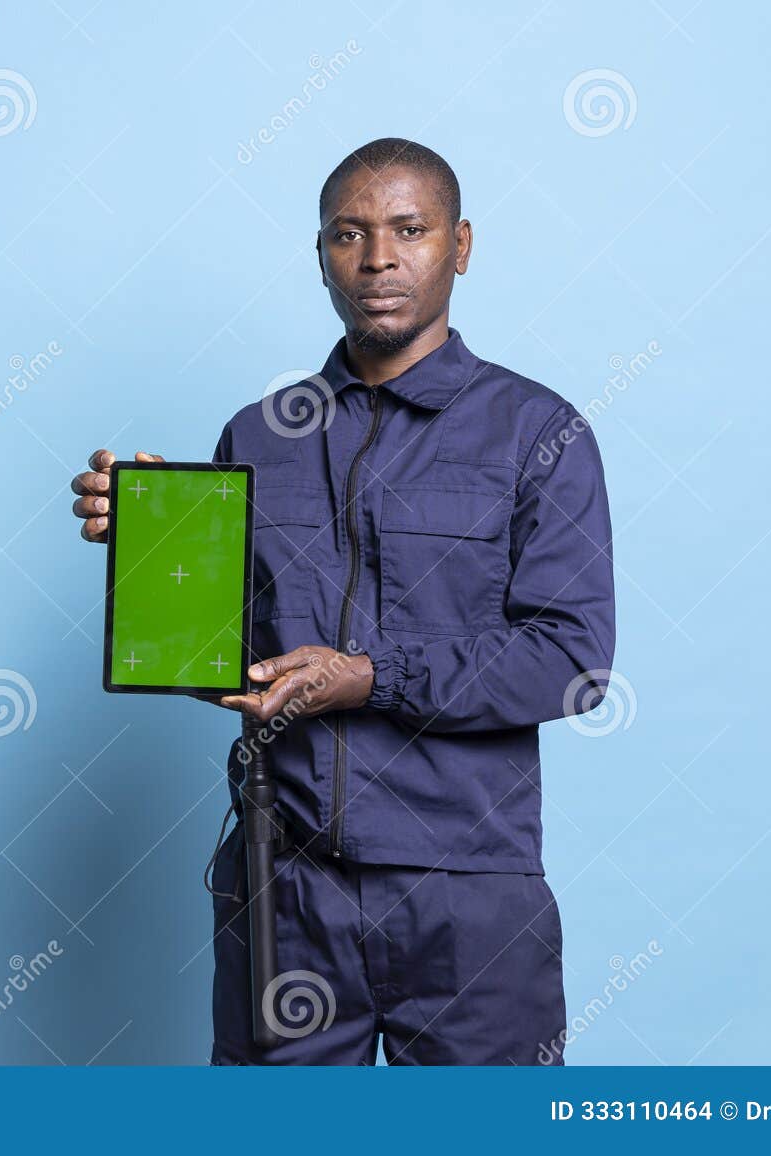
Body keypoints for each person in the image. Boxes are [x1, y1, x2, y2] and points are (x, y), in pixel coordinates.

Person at [69, 138, 616, 1065]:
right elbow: (230, 662)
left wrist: (365, 678)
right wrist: (160, 546)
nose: (379, 260)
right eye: (348, 235)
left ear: (462, 245)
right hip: (284, 888)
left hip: (468, 892)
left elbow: (572, 663)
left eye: (410, 230)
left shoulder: (539, 432)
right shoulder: (261, 434)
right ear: (320, 251)